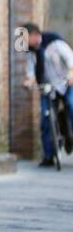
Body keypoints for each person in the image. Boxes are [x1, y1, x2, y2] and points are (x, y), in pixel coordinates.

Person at [21, 22, 73, 166]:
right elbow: (31, 71)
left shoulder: (55, 42)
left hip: (65, 83)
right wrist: (29, 81)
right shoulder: (30, 52)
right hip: (48, 87)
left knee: (71, 105)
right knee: (45, 119)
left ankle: (70, 135)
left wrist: (71, 73)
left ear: (35, 35)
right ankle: (49, 155)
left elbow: (70, 59)